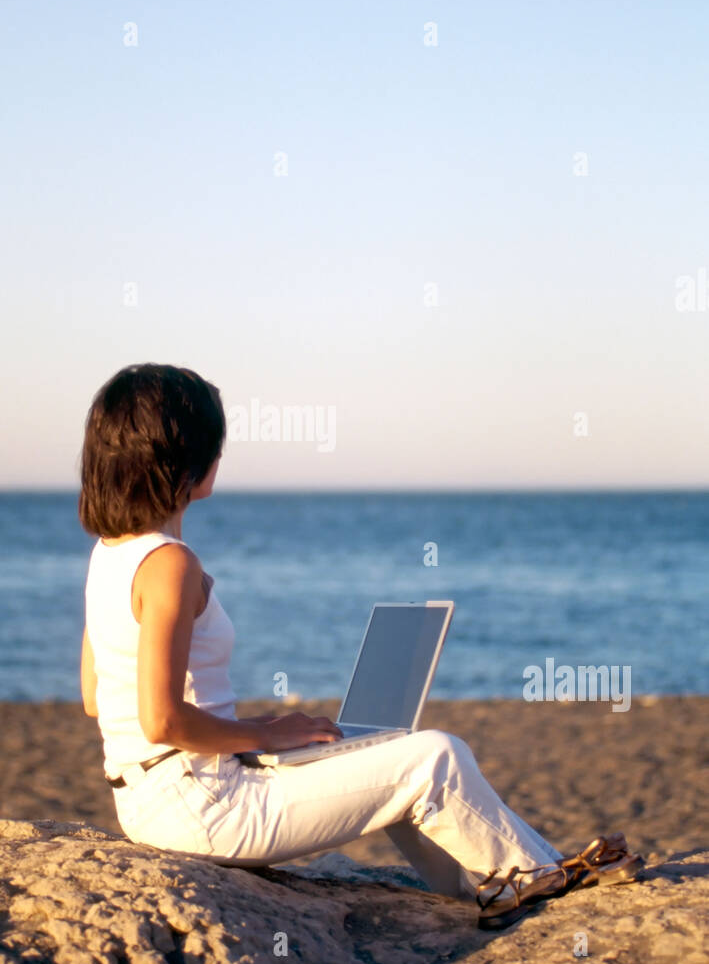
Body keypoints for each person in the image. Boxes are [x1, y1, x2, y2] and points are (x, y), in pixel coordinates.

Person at [78, 362, 643, 931]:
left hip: (160, 796)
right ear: (189, 460)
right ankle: (536, 875)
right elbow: (162, 719)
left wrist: (264, 728)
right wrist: (266, 735)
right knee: (434, 756)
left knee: (379, 748)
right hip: (203, 806)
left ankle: (486, 883)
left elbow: (98, 699)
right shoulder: (170, 564)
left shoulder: (109, 556)